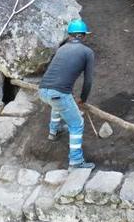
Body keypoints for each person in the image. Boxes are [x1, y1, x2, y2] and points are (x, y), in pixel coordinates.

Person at [38, 18, 97, 169]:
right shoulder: (87, 52)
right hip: (58, 94)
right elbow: (88, 81)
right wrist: (83, 99)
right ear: (83, 36)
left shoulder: (61, 49)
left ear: (70, 35)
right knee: (77, 123)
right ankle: (76, 161)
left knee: (58, 102)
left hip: (43, 90)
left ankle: (53, 131)